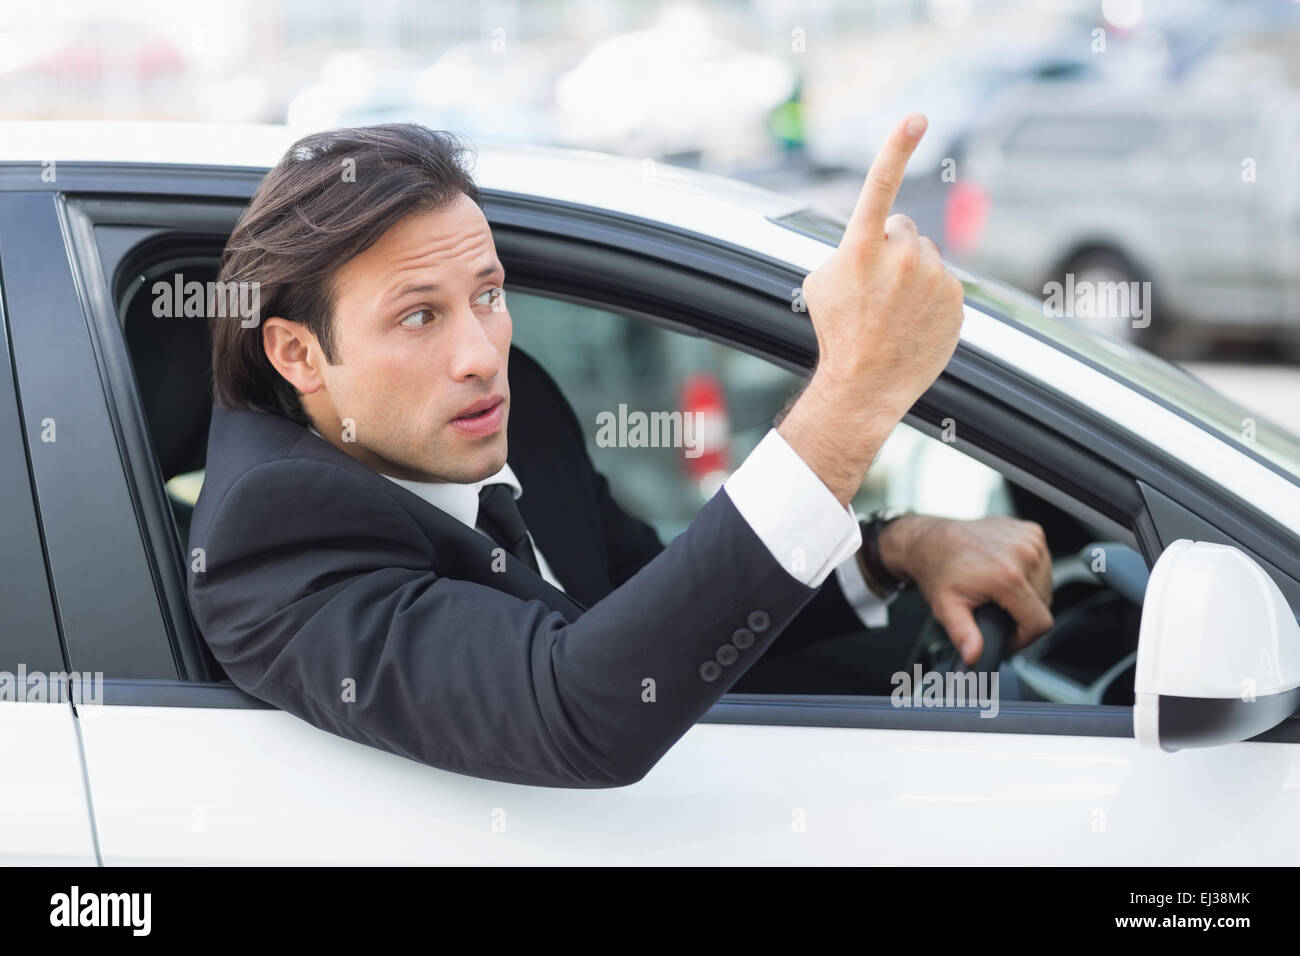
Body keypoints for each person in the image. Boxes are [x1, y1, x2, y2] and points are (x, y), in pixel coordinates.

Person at [187, 115, 1053, 788]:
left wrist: (894, 548)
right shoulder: (273, 536)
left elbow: (660, 600)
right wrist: (854, 396)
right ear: (299, 354)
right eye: (419, 315)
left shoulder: (496, 411)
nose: (482, 354)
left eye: (487, 293)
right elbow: (583, 709)